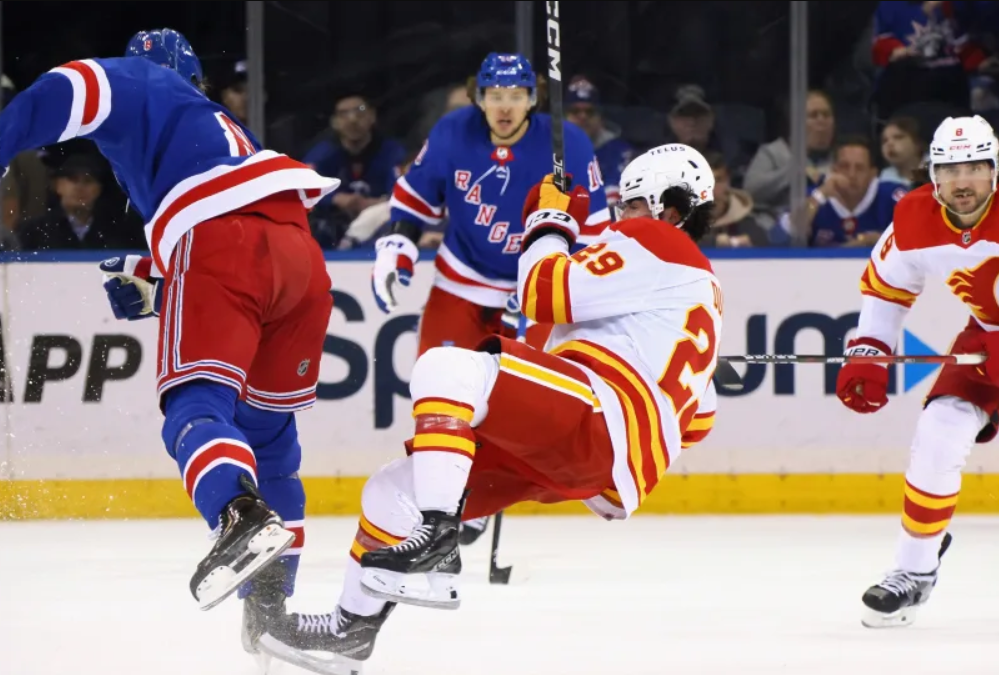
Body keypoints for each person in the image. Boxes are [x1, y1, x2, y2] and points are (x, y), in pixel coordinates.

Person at [0, 27, 339, 651]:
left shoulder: (144, 82)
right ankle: (271, 612)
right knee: (271, 439)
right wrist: (167, 288)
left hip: (222, 241)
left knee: (195, 406)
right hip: (301, 260)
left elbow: (71, 85)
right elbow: (251, 256)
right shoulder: (222, 132)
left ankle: (238, 513)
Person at [260, 144, 723, 675]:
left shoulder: (657, 240)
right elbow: (699, 422)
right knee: (392, 491)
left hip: (597, 421)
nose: (622, 220)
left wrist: (550, 223)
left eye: (633, 206)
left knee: (446, 366)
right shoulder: (696, 291)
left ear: (671, 208)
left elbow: (542, 290)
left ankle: (438, 537)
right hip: (595, 463)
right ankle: (350, 630)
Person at [836, 115, 999, 629]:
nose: (963, 181)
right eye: (950, 170)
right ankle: (914, 569)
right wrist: (869, 351)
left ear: (995, 171)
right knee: (938, 430)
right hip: (987, 339)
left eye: (975, 168)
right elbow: (887, 291)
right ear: (933, 175)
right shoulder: (913, 218)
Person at [371, 52, 608, 356]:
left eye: (516, 96)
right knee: (439, 380)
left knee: (538, 384)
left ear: (532, 99)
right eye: (495, 96)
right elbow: (417, 197)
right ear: (479, 99)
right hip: (462, 280)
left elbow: (593, 232)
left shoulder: (568, 143)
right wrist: (397, 244)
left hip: (540, 290)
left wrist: (543, 285)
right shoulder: (452, 131)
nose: (505, 107)